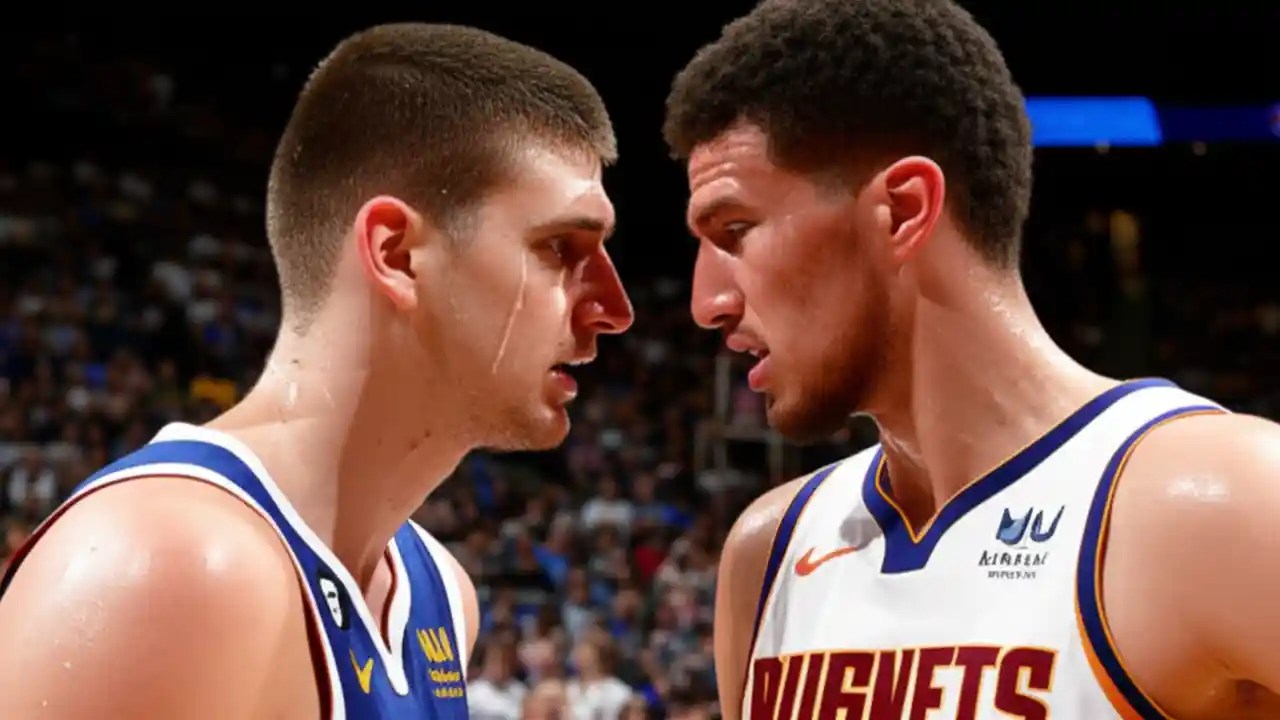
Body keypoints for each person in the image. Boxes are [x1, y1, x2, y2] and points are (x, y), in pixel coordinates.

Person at [663, 1, 1280, 718]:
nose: (706, 300)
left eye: (735, 230)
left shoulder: (1223, 498)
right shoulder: (767, 553)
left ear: (902, 210)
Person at [0, 22, 632, 719]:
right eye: (560, 248)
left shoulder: (440, 596)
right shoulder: (166, 566)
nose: (615, 307)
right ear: (396, 255)